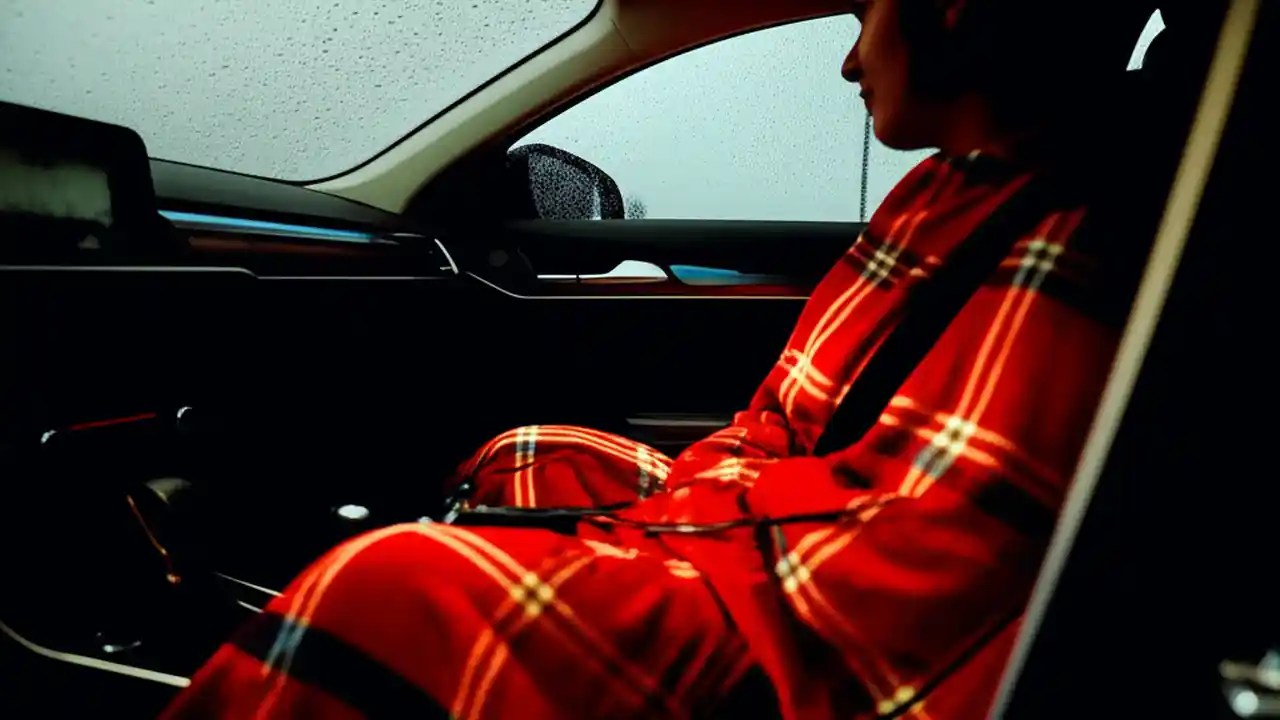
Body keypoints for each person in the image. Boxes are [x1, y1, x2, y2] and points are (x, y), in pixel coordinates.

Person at [163, 1, 1160, 717]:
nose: (849, 63)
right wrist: (654, 515)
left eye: (863, 14)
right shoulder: (941, 193)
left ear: (950, 10)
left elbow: (921, 567)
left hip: (837, 628)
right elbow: (786, 429)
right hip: (795, 537)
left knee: (386, 583)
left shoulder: (1093, 228)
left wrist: (660, 531)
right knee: (524, 455)